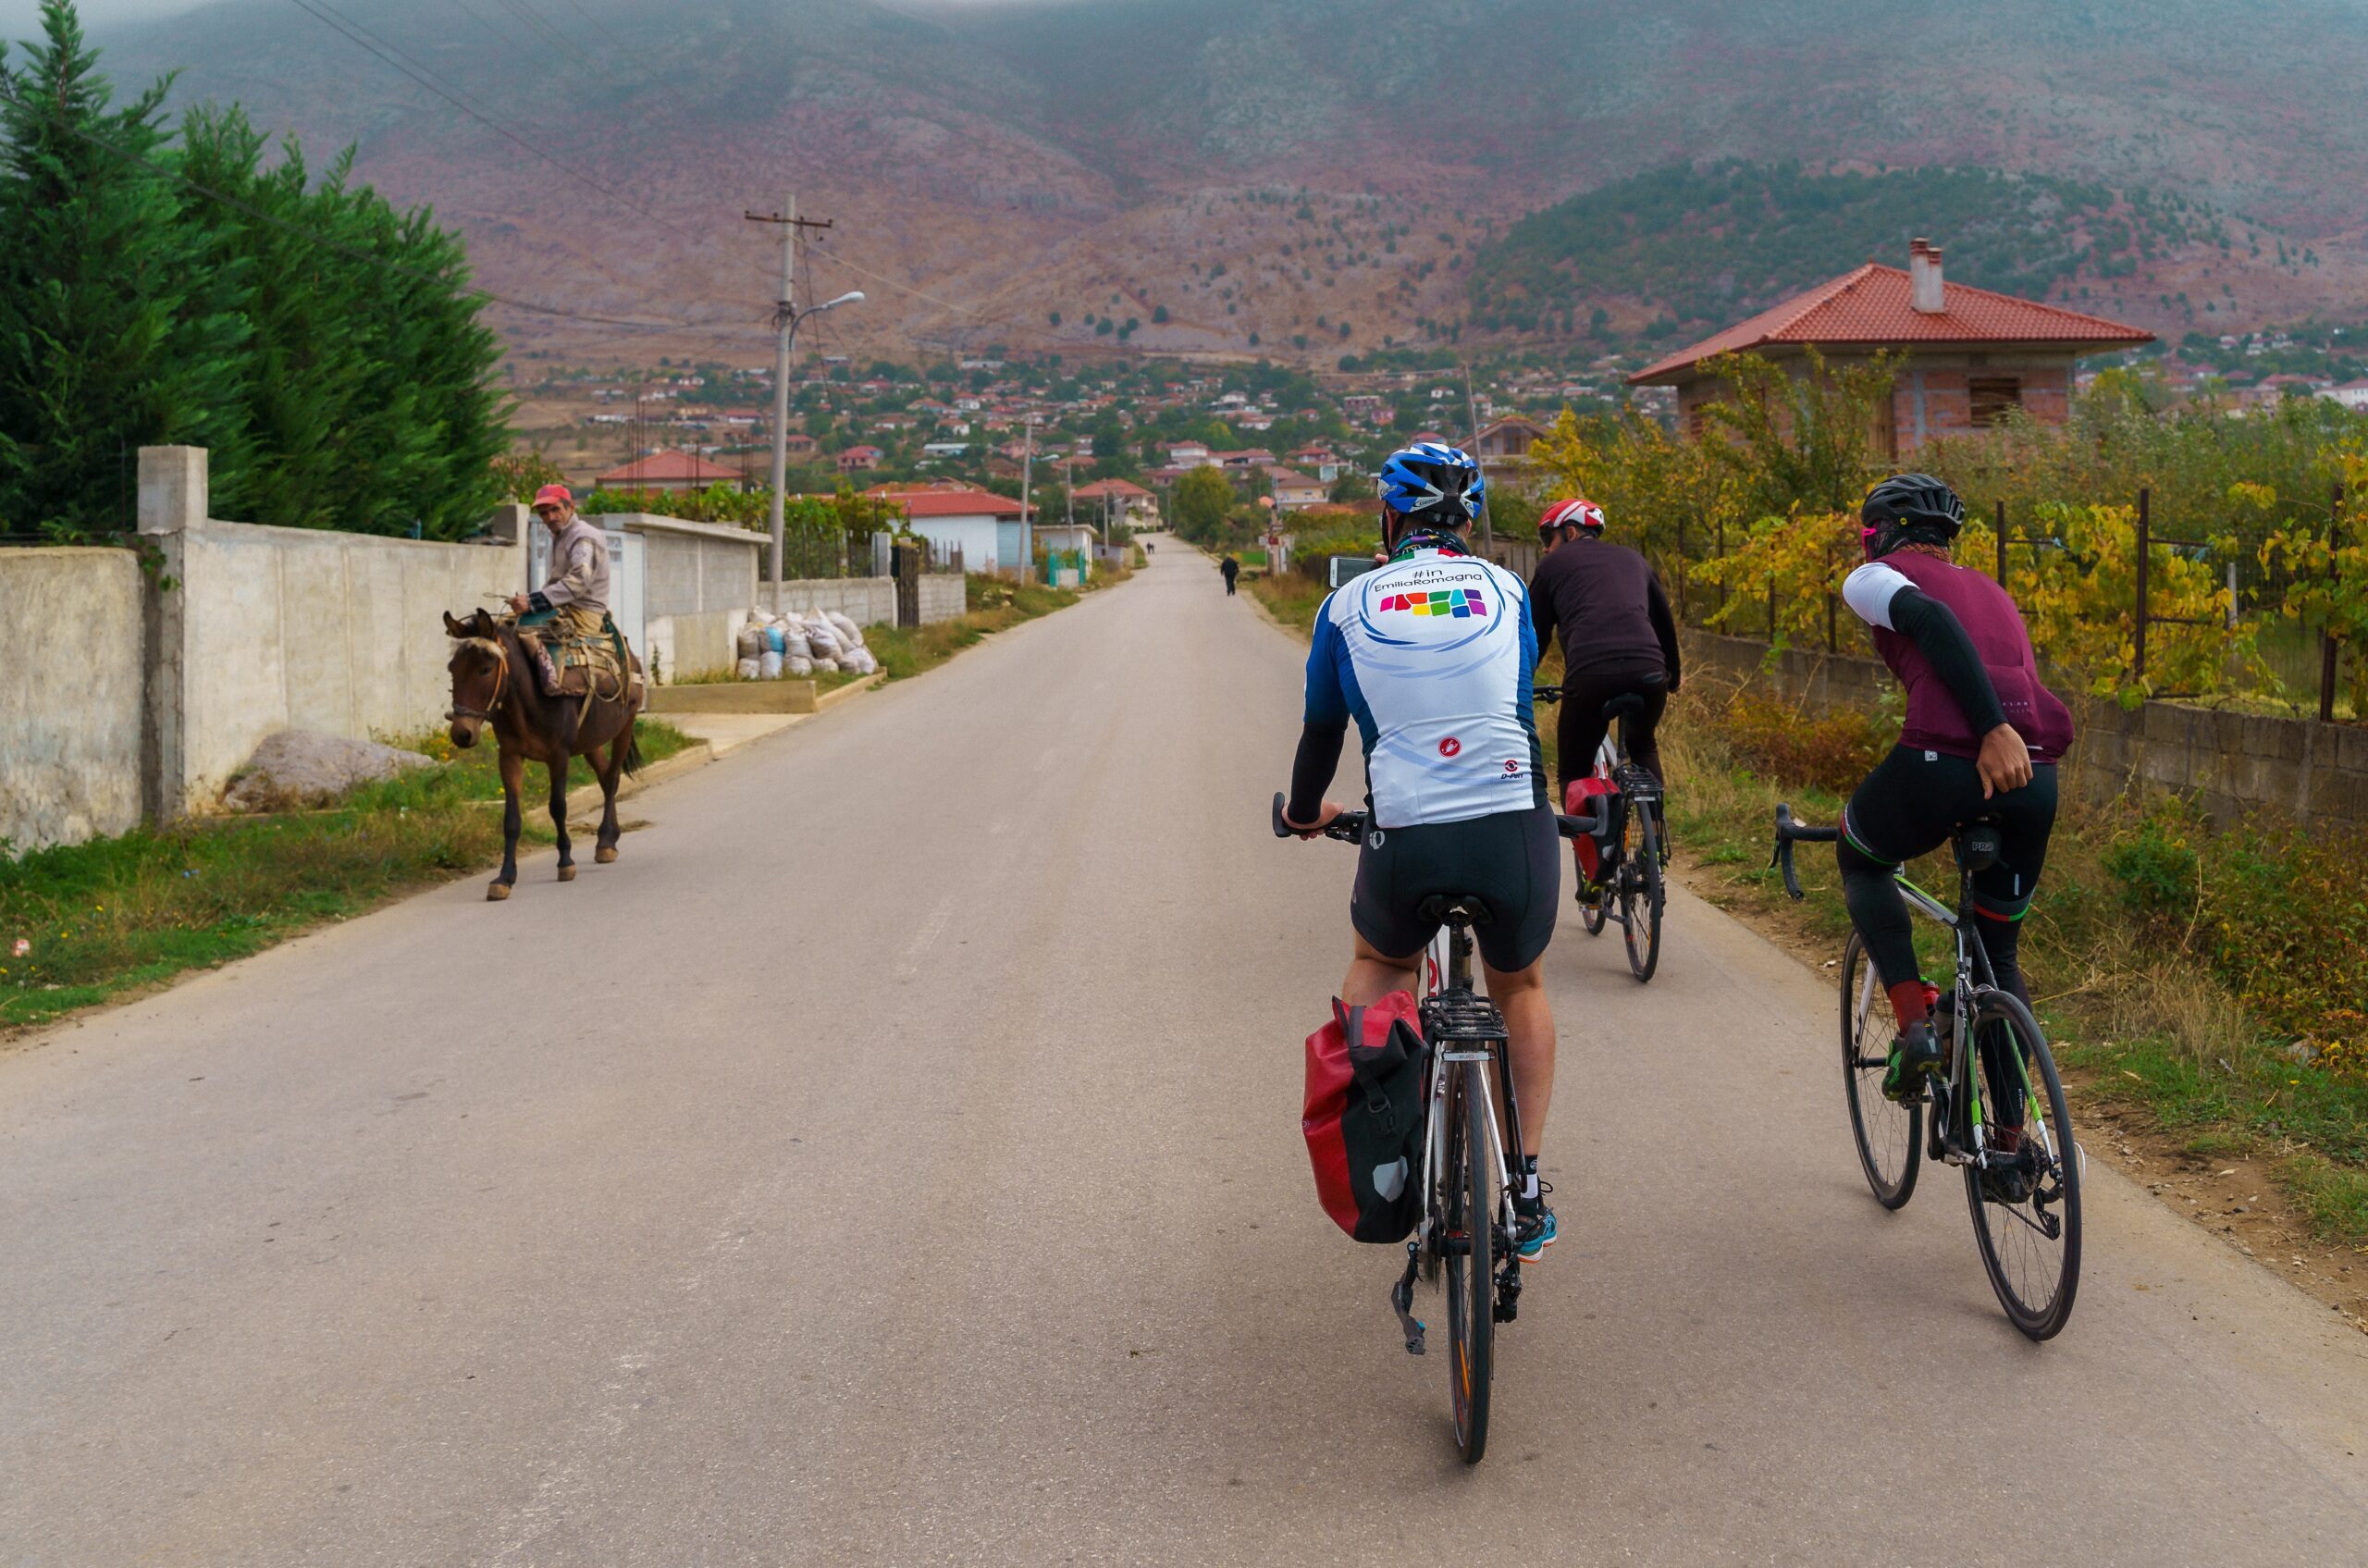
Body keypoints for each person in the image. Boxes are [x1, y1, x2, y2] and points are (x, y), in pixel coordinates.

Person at [1280, 442, 1562, 1258]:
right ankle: (1528, 1185)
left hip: (1405, 839)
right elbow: (1510, 695)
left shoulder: (1347, 602)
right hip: (1512, 826)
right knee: (1523, 984)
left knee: (1384, 961)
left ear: (1389, 516)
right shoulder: (1508, 587)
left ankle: (1384, 1144)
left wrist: (1304, 813)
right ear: (1468, 518)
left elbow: (1322, 734)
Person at [1835, 473, 2073, 1150]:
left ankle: (1914, 1024)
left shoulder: (1874, 576)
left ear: (1880, 531)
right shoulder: (1996, 591)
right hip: (2035, 775)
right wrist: (2009, 734)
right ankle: (2009, 1135)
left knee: (1861, 854)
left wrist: (1990, 727)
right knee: (1997, 946)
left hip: (1950, 759)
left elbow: (1929, 622)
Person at [1527, 497, 1682, 804]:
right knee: (1643, 746)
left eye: (1548, 537)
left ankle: (1588, 849)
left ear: (1570, 532)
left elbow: (1534, 635)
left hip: (1591, 674)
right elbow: (1664, 624)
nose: (1546, 547)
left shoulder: (1551, 566)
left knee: (1573, 768)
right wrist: (1673, 678)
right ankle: (1656, 838)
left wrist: (1519, 685)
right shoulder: (1634, 559)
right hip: (1649, 669)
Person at [509, 484, 610, 693]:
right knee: (507, 626)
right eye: (544, 513)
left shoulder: (583, 536)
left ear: (571, 508)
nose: (550, 517)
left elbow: (578, 581)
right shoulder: (560, 536)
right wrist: (530, 600)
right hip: (564, 606)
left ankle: (551, 686)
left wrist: (531, 601)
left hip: (584, 611)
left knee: (530, 634)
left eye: (556, 510)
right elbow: (556, 584)